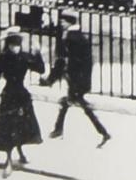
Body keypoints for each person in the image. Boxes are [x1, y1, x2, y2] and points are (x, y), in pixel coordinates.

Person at [45, 11, 111, 147]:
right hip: (79, 78)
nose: (61, 23)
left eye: (63, 21)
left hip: (76, 79)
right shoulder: (77, 36)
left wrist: (50, 79)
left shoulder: (71, 38)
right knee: (66, 103)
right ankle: (58, 129)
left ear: (69, 22)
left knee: (82, 106)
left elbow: (63, 61)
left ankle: (103, 132)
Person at [0, 29, 45, 178]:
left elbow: (41, 69)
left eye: (18, 45)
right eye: (13, 45)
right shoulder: (2, 59)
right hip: (8, 96)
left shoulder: (24, 57)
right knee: (9, 127)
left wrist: (38, 53)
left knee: (21, 125)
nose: (15, 48)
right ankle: (8, 160)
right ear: (8, 45)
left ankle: (19, 153)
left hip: (21, 95)